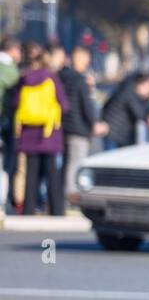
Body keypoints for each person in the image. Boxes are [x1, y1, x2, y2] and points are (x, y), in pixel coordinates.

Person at [13, 45, 69, 216]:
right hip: (49, 132)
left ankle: (29, 209)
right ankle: (57, 210)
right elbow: (64, 105)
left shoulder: (24, 79)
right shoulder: (51, 79)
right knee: (52, 175)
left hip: (29, 132)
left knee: (31, 175)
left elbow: (15, 103)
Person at [58, 45, 106, 199]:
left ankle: (59, 197)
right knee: (76, 164)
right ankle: (71, 197)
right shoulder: (80, 81)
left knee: (65, 164)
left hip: (62, 126)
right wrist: (94, 123)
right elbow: (87, 106)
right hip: (79, 128)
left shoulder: (60, 77)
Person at [99, 73, 149, 150]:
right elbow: (138, 113)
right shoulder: (128, 91)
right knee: (112, 159)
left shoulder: (127, 89)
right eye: (147, 87)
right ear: (141, 84)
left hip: (117, 133)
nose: (148, 91)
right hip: (114, 133)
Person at [0, 36, 22, 210]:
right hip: (4, 119)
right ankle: (4, 202)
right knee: (6, 162)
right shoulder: (8, 69)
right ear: (12, 49)